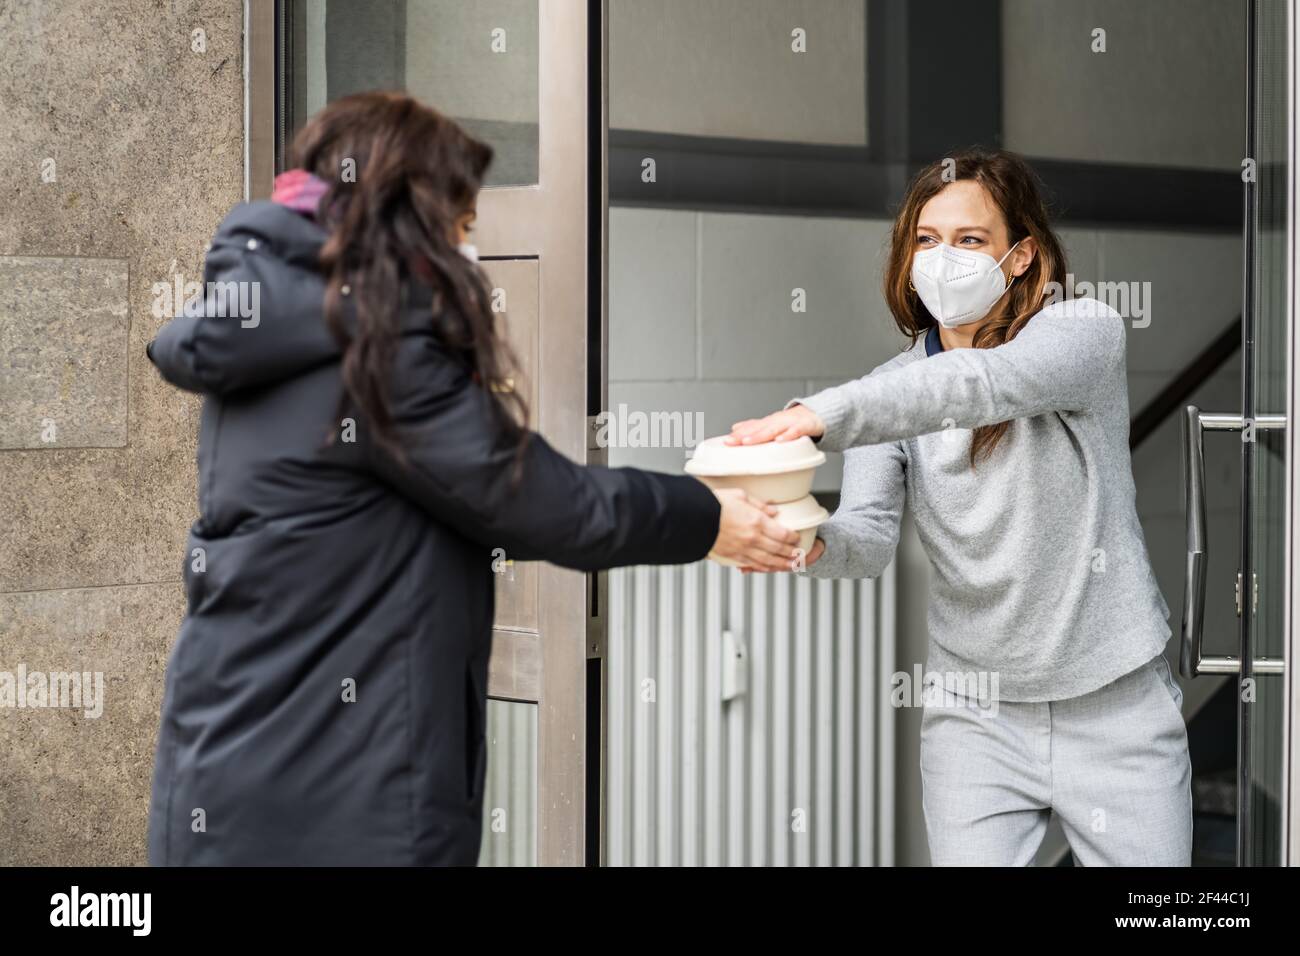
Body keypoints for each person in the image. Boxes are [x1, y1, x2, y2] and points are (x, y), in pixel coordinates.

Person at [144, 91, 799, 865]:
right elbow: (541, 502)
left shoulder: (278, 328)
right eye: (461, 225)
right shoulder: (371, 349)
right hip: (345, 801)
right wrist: (707, 516)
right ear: (410, 212)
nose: (468, 249)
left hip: (232, 776)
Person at [729, 148, 1192, 866]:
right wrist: (807, 541)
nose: (943, 258)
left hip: (1116, 709)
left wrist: (821, 413)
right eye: (926, 239)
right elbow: (870, 537)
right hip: (975, 716)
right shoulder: (887, 394)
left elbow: (981, 384)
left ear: (1020, 256)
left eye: (970, 240)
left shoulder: (1082, 334)